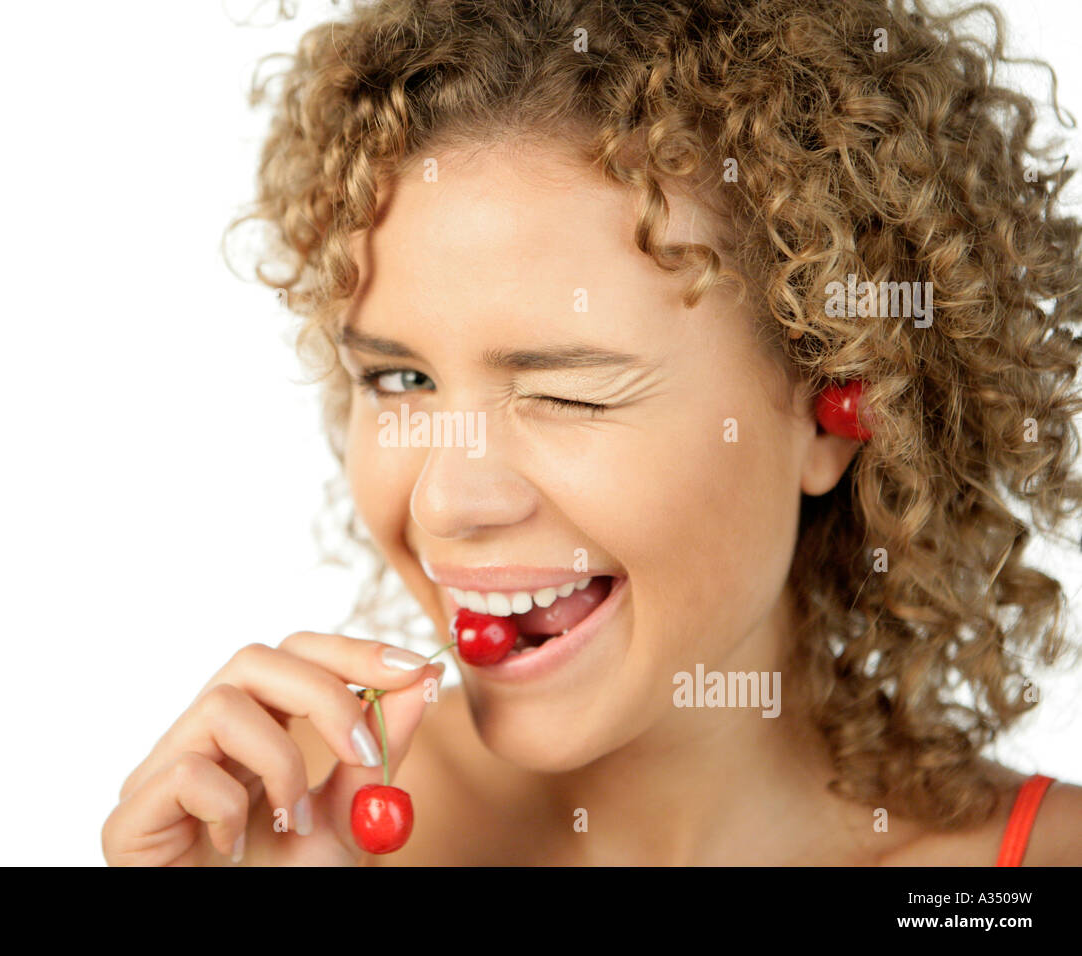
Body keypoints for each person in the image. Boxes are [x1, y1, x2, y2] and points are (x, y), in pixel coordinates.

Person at [102, 0, 1082, 865]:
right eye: (398, 378)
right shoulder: (278, 821)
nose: (446, 502)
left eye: (567, 395)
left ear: (838, 402)